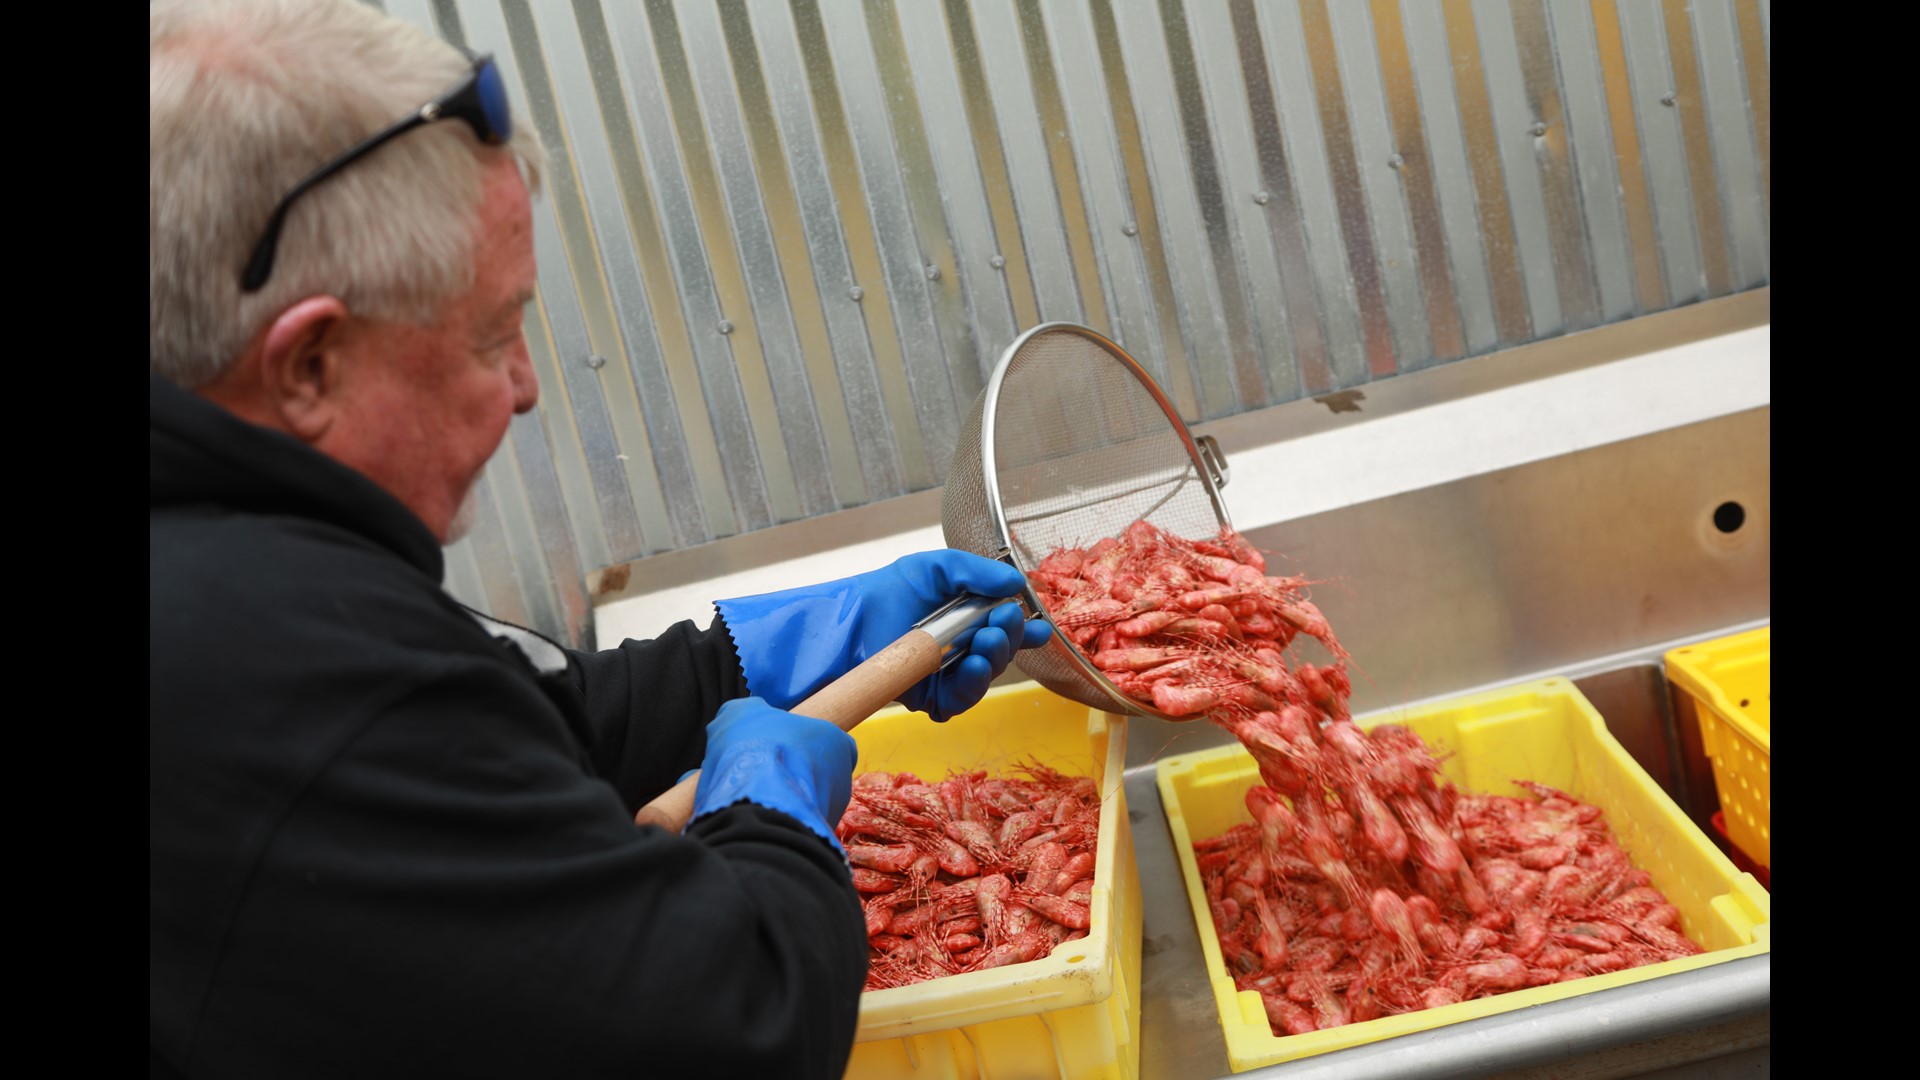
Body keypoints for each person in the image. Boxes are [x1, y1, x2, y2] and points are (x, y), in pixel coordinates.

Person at [149, 3, 1051, 1077]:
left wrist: (758, 657)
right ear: (308, 366)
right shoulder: (274, 666)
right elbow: (732, 1028)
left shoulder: (224, 557)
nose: (528, 389)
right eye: (492, 338)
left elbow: (490, 739)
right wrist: (770, 819)